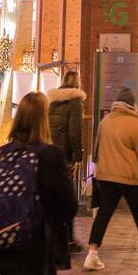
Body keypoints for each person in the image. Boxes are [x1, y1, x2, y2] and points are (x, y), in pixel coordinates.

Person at [0, 91, 76, 275]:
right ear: (44, 119)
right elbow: (69, 207)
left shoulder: (0, 154)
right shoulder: (50, 155)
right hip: (32, 253)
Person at [84, 88, 138, 272]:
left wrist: (97, 173)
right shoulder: (135, 124)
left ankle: (92, 254)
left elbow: (96, 150)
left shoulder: (106, 121)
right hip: (129, 178)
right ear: (133, 105)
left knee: (104, 214)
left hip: (105, 177)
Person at [47, 70, 86, 252]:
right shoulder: (75, 100)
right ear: (77, 82)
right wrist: (78, 156)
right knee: (68, 197)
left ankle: (53, 237)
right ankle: (68, 239)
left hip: (50, 152)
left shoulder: (53, 100)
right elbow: (75, 130)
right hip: (65, 156)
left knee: (54, 196)